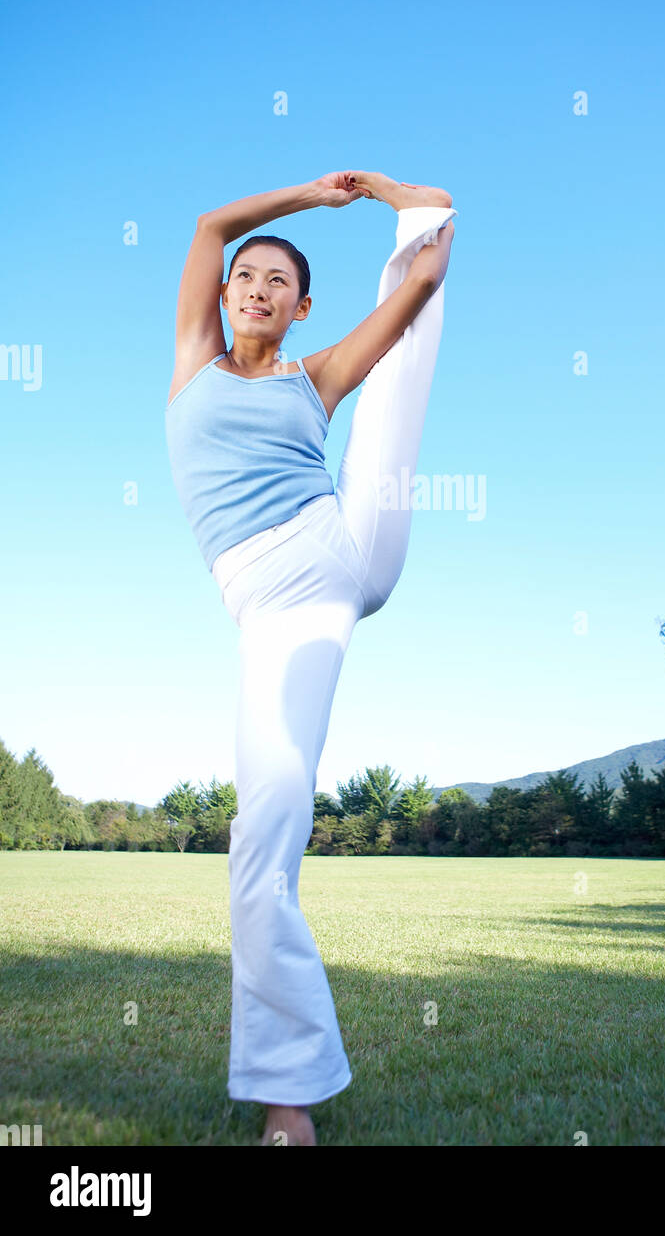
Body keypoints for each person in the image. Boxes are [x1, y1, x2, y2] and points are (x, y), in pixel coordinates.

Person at [165, 170, 457, 1145]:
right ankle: (286, 1096)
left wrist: (418, 239)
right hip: (277, 609)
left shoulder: (313, 375)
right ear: (224, 294)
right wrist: (317, 196)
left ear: (301, 308)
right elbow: (211, 222)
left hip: (341, 547)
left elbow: (402, 314)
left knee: (390, 398)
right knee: (265, 833)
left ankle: (423, 214)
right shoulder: (194, 365)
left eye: (279, 282)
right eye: (247, 277)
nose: (257, 288)